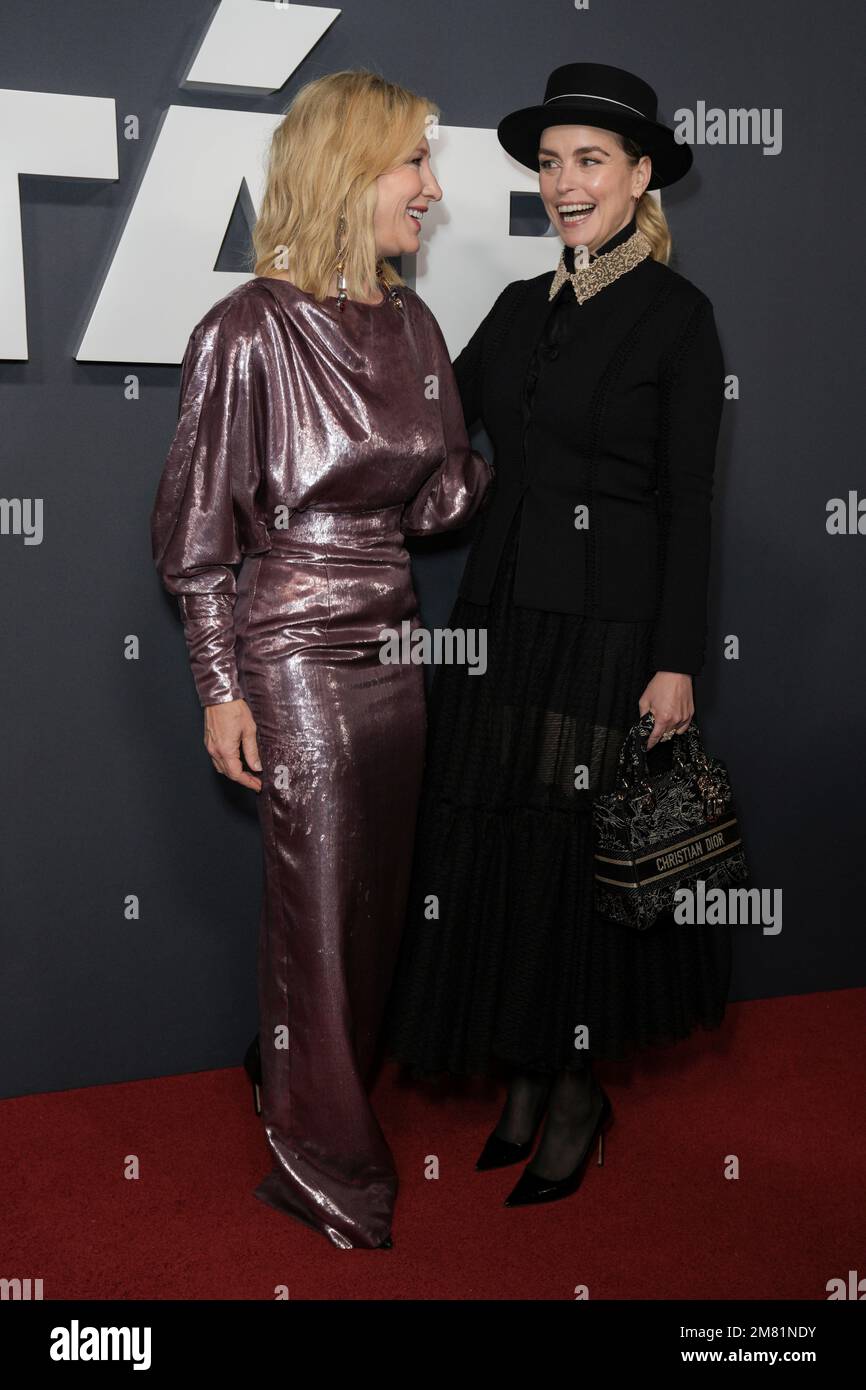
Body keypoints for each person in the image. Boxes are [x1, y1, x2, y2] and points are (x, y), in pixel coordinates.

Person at [150, 70, 491, 1249]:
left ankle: (291, 1077)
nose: (432, 193)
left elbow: (440, 497)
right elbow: (198, 540)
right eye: (414, 165)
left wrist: (523, 443)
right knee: (319, 918)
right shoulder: (246, 327)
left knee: (372, 911)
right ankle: (327, 1162)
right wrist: (217, 687)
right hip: (294, 654)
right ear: (350, 169)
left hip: (396, 649)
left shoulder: (411, 322)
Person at [384, 63, 732, 1207]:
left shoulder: (677, 317)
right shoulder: (520, 306)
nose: (563, 182)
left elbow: (692, 499)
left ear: (638, 177)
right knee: (509, 849)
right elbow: (436, 418)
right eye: (548, 162)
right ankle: (528, 1071)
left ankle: (578, 1085)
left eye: (589, 160)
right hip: (501, 621)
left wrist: (675, 655)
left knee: (579, 855)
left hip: (610, 630)